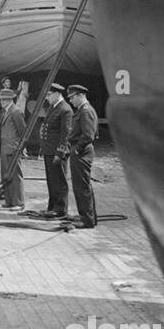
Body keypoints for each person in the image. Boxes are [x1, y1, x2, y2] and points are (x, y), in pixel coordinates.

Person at [66, 85, 99, 227]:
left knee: (82, 187)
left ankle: (87, 220)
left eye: (72, 97)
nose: (71, 101)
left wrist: (77, 150)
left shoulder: (86, 111)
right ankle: (86, 216)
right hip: (80, 152)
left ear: (80, 95)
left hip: (82, 153)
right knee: (81, 186)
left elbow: (88, 135)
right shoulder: (82, 110)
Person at [39, 82, 72, 217]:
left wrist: (60, 152)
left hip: (57, 152)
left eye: (49, 94)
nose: (47, 97)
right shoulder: (54, 107)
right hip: (49, 150)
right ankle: (52, 207)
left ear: (57, 94)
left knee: (59, 181)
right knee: (51, 180)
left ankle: (60, 209)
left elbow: (66, 134)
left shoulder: (65, 109)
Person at [0, 86, 25, 209]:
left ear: (9, 100)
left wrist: (20, 148)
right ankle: (9, 201)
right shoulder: (7, 111)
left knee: (15, 176)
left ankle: (18, 202)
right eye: (1, 99)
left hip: (13, 148)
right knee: (6, 175)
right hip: (5, 148)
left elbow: (23, 131)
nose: (1, 102)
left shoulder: (16, 112)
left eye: (3, 99)